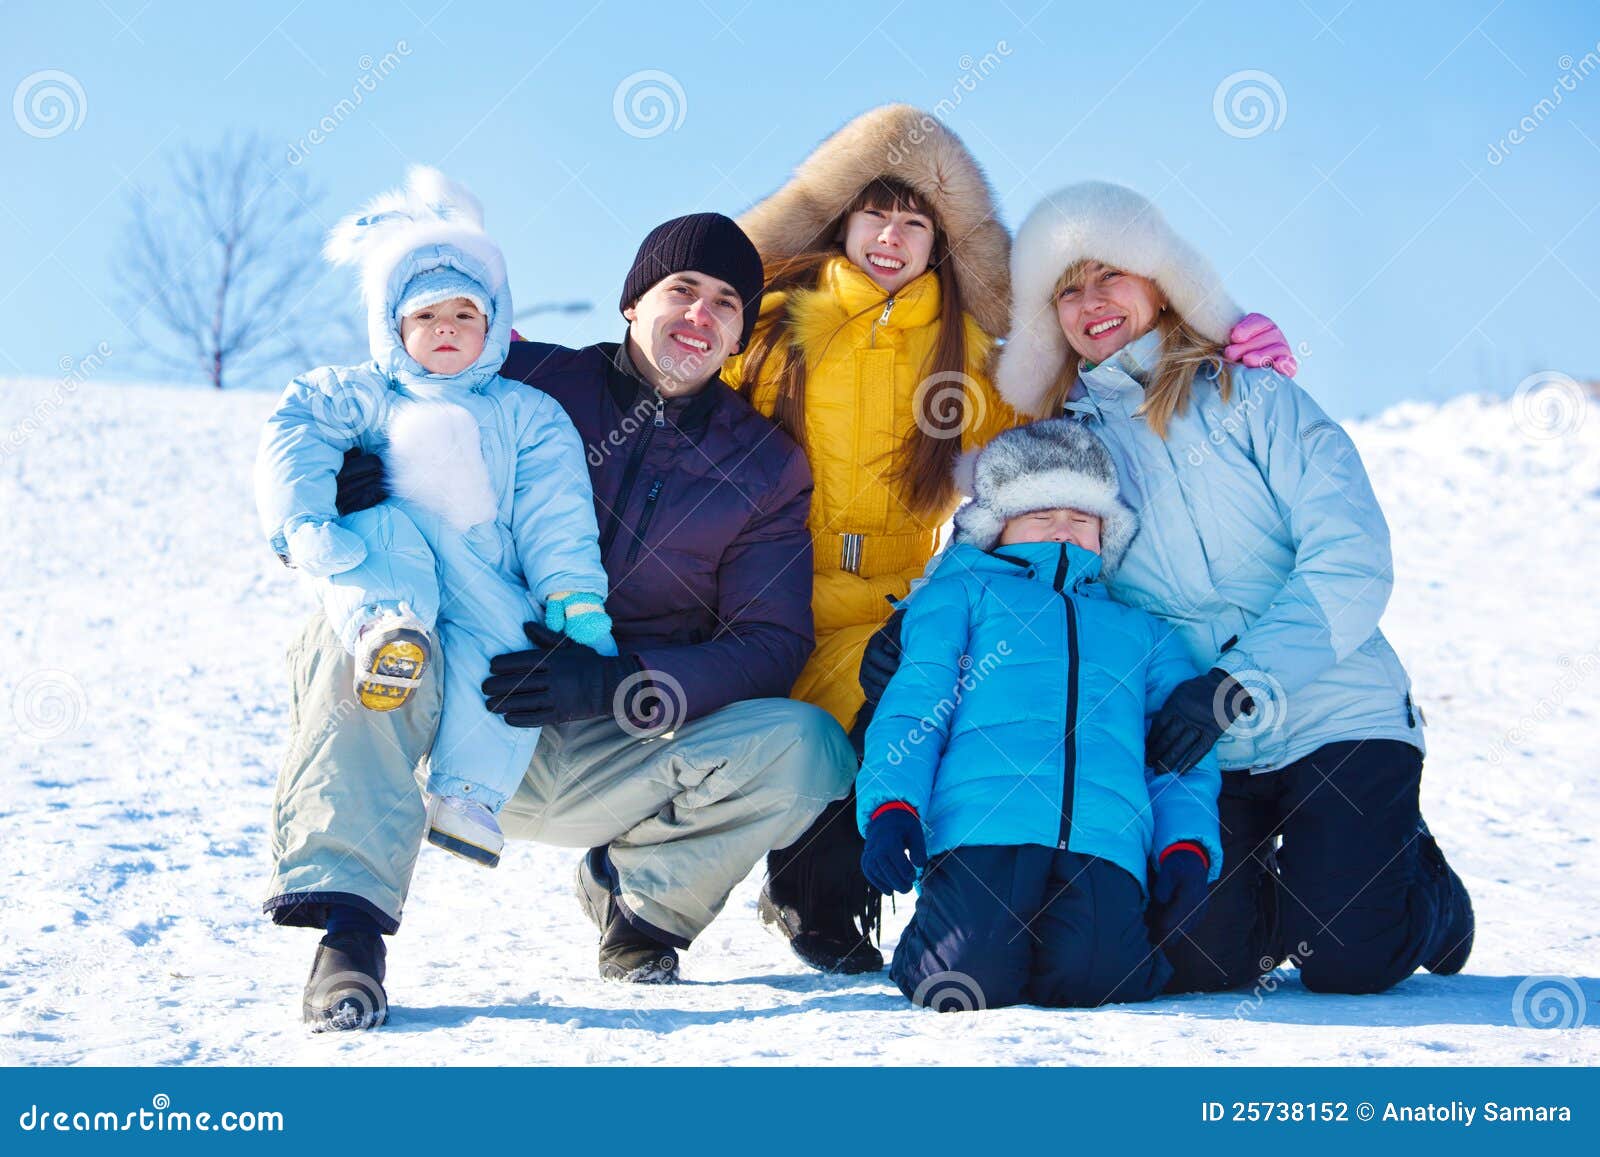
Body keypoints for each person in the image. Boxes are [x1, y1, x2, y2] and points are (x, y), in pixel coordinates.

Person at [730, 105, 1297, 974]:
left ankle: (824, 899)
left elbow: (1055, 437)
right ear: (840, 222)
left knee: (895, 704)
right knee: (714, 720)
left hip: (880, 599)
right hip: (766, 592)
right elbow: (676, 381)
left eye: (916, 223)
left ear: (941, 244)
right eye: (875, 214)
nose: (891, 237)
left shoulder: (962, 353)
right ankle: (637, 880)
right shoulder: (772, 326)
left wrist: (1222, 343)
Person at [267, 211, 855, 1029]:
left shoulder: (765, 465)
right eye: (681, 289)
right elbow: (375, 391)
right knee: (350, 644)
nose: (700, 314)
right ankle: (350, 930)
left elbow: (771, 643)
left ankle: (640, 904)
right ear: (632, 302)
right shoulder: (529, 380)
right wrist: (348, 483)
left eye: (726, 302)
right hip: (469, 695)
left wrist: (621, 681)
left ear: (738, 333)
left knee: (808, 746)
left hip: (622, 736)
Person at [977, 180, 1474, 995]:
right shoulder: (1065, 449)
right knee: (1203, 960)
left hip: (1333, 709)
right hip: (1199, 741)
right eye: (1067, 290)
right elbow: (1013, 564)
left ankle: (1421, 888)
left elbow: (1351, 557)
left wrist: (1237, 681)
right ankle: (1299, 891)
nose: (1091, 303)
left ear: (1159, 282)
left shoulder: (1255, 395)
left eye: (1110, 275)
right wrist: (919, 627)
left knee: (1350, 958)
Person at [257, 167, 616, 874]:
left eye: (464, 315)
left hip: (482, 567)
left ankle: (468, 797)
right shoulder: (361, 393)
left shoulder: (527, 413)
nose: (445, 327)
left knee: (510, 650)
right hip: (388, 542)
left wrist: (575, 601)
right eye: (424, 316)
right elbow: (295, 434)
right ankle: (385, 633)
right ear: (392, 328)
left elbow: (555, 512)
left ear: (493, 325)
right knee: (377, 548)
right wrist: (303, 519)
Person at [857, 419, 1221, 1010]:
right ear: (997, 527)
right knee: (965, 982)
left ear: (1107, 533)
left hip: (1106, 837)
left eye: (1081, 517)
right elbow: (914, 710)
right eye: (1040, 513)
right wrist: (893, 808)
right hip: (982, 826)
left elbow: (1181, 757)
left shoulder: (1144, 631)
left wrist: (1185, 846)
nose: (1062, 530)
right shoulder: (962, 596)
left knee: (1099, 982)